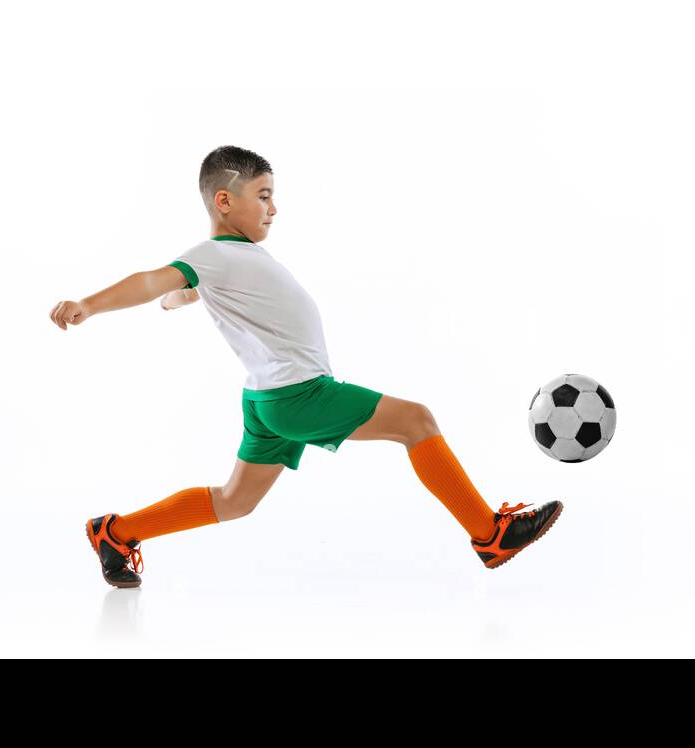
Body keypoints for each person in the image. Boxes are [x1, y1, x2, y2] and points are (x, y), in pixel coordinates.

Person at [49, 145, 562, 588]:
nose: (274, 207)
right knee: (416, 421)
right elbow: (149, 281)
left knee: (234, 501)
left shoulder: (227, 259)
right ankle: (489, 534)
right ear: (224, 202)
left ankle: (115, 533)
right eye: (263, 195)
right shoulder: (211, 255)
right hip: (299, 395)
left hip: (267, 399)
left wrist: (182, 297)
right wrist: (90, 305)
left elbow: (175, 292)